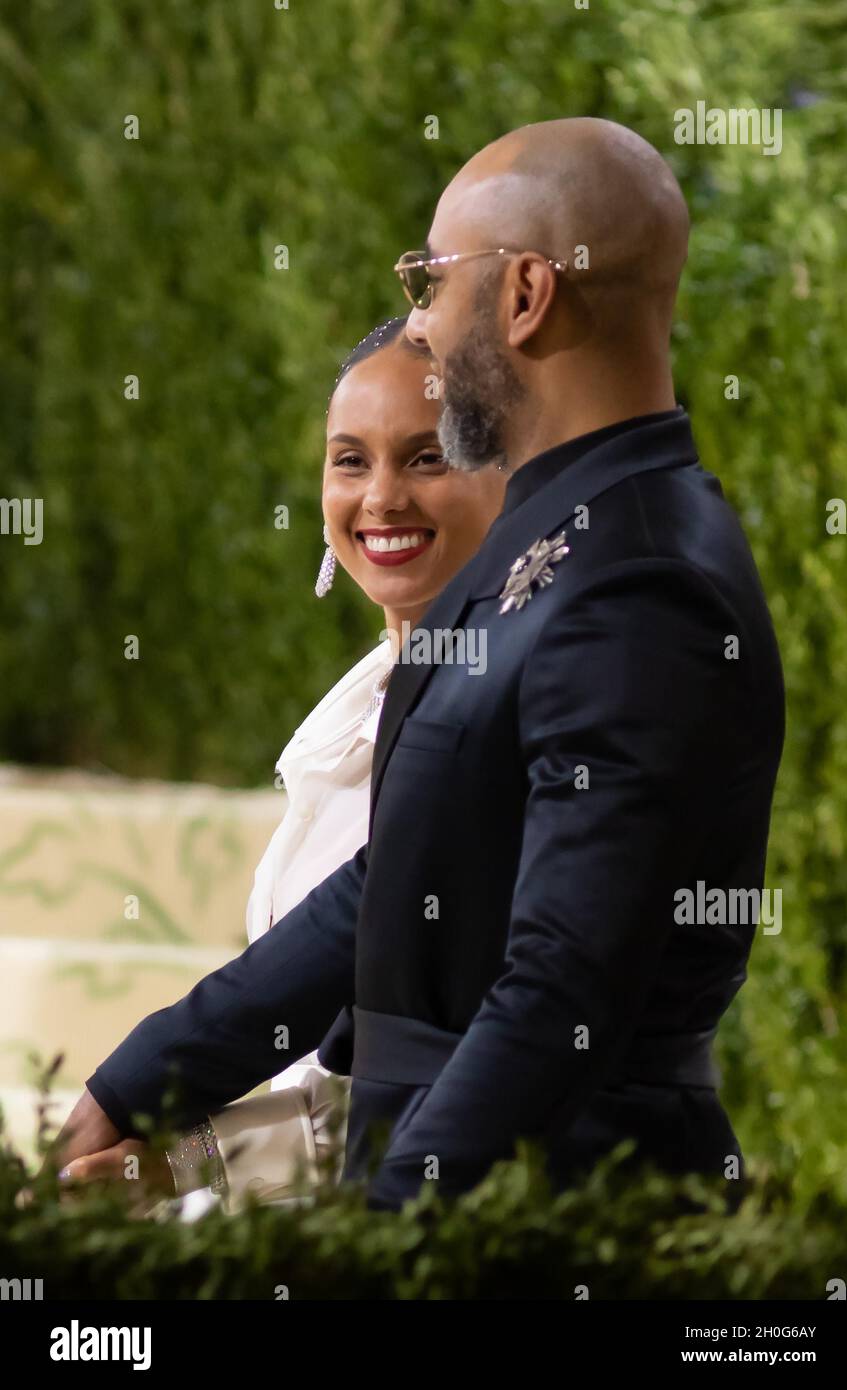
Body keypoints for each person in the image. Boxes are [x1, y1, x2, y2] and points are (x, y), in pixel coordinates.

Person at [55, 117, 785, 1213]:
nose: (419, 325)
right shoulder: (564, 527)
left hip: (542, 1227)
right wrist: (146, 1079)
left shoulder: (640, 584)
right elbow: (406, 879)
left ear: (527, 294)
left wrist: (386, 1237)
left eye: (430, 279)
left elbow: (557, 993)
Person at [56, 316, 505, 1210]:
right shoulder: (365, 700)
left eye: (427, 458)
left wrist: (189, 1160)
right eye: (350, 459)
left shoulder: (499, 720)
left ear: (509, 477)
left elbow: (450, 1079)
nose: (381, 497)